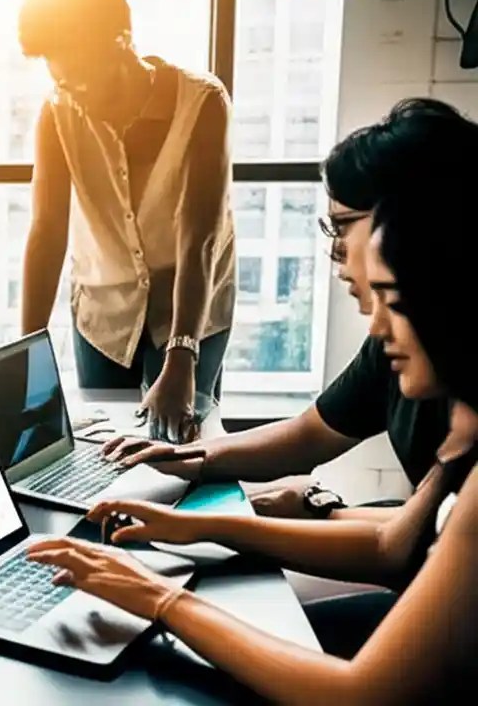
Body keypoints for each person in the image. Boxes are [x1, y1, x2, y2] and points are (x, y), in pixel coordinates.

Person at [25, 158, 478, 701]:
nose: (378, 326)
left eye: (395, 301)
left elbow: (359, 695)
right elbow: (392, 539)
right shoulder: (464, 431)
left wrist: (160, 599)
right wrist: (197, 524)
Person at [100, 98, 473, 521]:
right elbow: (311, 435)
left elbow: (414, 542)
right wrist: (189, 456)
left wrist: (311, 510)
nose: (335, 252)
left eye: (344, 225)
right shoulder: (397, 343)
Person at [18, 0, 237, 443]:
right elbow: (47, 232)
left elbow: (199, 239)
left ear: (122, 39)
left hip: (190, 305)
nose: (74, 96)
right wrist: (27, 354)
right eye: (63, 83)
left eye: (82, 79)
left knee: (177, 443)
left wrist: (182, 356)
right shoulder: (57, 113)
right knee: (102, 445)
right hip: (104, 307)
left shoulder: (204, 103)